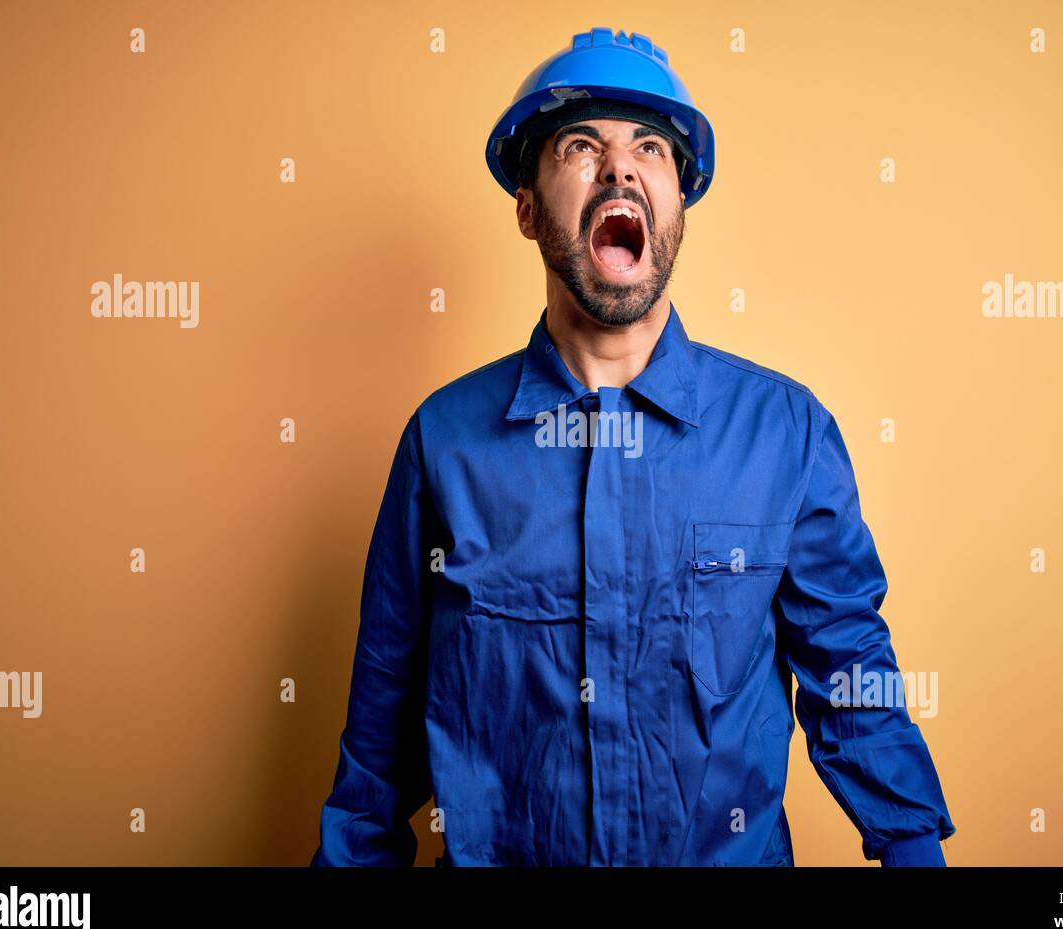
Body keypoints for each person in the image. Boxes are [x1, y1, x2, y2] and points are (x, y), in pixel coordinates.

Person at [311, 27, 956, 867]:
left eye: (649, 147)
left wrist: (914, 850)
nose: (619, 168)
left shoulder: (785, 435)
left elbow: (852, 681)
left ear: (678, 204)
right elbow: (381, 729)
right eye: (582, 146)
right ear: (529, 208)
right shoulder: (444, 443)